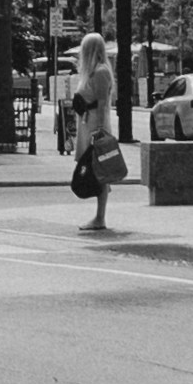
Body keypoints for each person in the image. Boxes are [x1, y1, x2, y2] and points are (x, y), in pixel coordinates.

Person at [73, 24, 122, 235]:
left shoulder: (101, 72)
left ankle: (100, 217)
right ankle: (99, 216)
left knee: (99, 170)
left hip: (95, 125)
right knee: (95, 169)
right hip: (87, 123)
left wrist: (100, 130)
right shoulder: (92, 72)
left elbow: (103, 103)